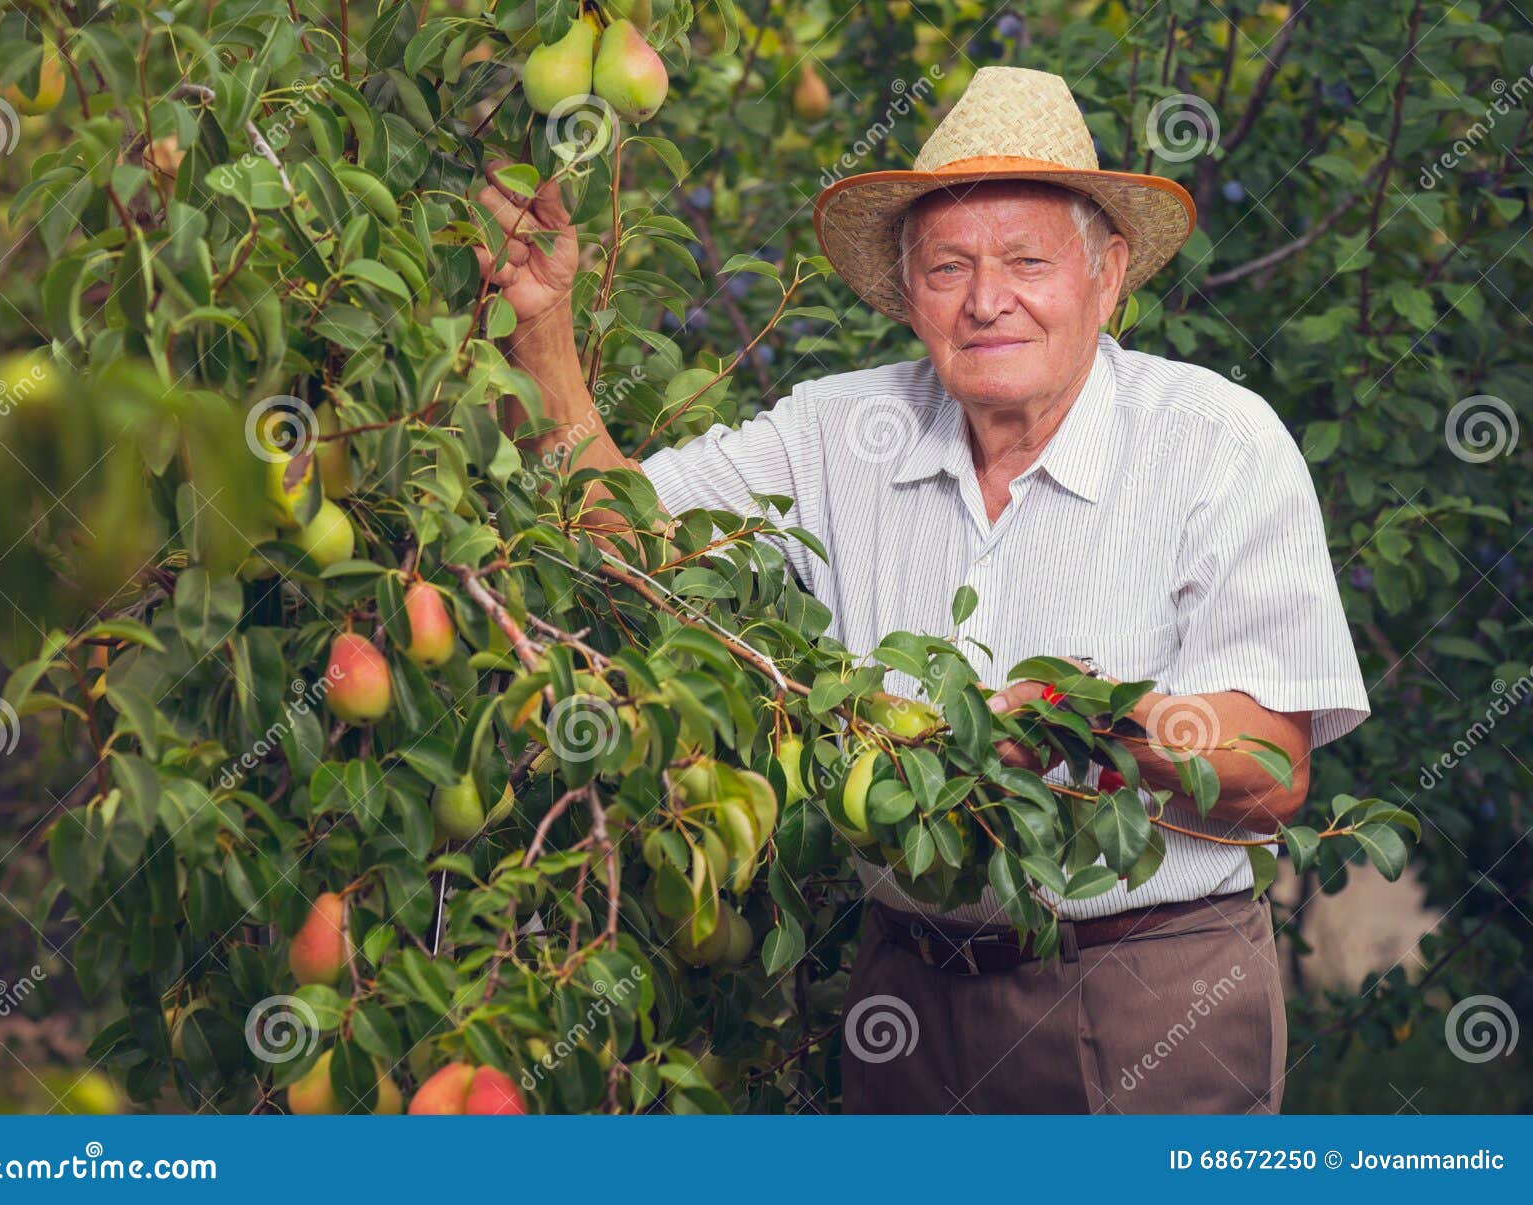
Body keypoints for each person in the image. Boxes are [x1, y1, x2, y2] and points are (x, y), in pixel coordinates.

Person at [471, 66, 1370, 1114]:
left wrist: (1079, 724)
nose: (988, 300)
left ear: (1107, 273)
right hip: (902, 991)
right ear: (906, 292)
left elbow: (1269, 765)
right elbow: (629, 547)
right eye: (948, 267)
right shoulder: (833, 432)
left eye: (1027, 261)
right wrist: (542, 336)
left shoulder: (1212, 442)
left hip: (1143, 990)